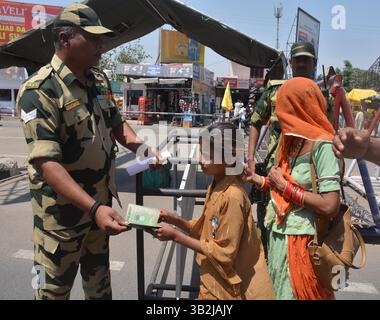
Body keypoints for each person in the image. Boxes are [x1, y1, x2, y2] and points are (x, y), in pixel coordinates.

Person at [16, 3, 161, 300]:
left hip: (98, 215)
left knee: (100, 291)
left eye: (101, 38)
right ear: (66, 39)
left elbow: (117, 126)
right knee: (49, 293)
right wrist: (95, 209)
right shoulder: (39, 90)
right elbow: (46, 163)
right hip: (60, 225)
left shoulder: (97, 81)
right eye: (92, 37)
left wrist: (144, 149)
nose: (101, 44)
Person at [153, 122, 275, 300]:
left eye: (208, 155)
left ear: (228, 157)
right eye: (201, 152)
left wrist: (175, 236)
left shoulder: (232, 196)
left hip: (227, 291)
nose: (201, 159)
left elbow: (223, 253)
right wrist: (174, 219)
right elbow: (206, 231)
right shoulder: (216, 185)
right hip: (212, 283)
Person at [244, 78, 341, 300]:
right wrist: (257, 179)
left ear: (299, 107)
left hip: (306, 243)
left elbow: (330, 205)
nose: (279, 114)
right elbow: (278, 181)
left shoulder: (323, 146)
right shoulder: (289, 141)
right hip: (279, 234)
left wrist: (287, 189)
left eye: (284, 107)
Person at [246, 42, 334, 254]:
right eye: (297, 59)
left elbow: (330, 132)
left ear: (315, 63)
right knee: (268, 223)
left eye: (307, 59)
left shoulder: (322, 96)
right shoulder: (275, 91)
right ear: (291, 63)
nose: (302, 64)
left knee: (310, 229)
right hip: (276, 170)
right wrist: (250, 157)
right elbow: (256, 121)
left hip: (310, 172)